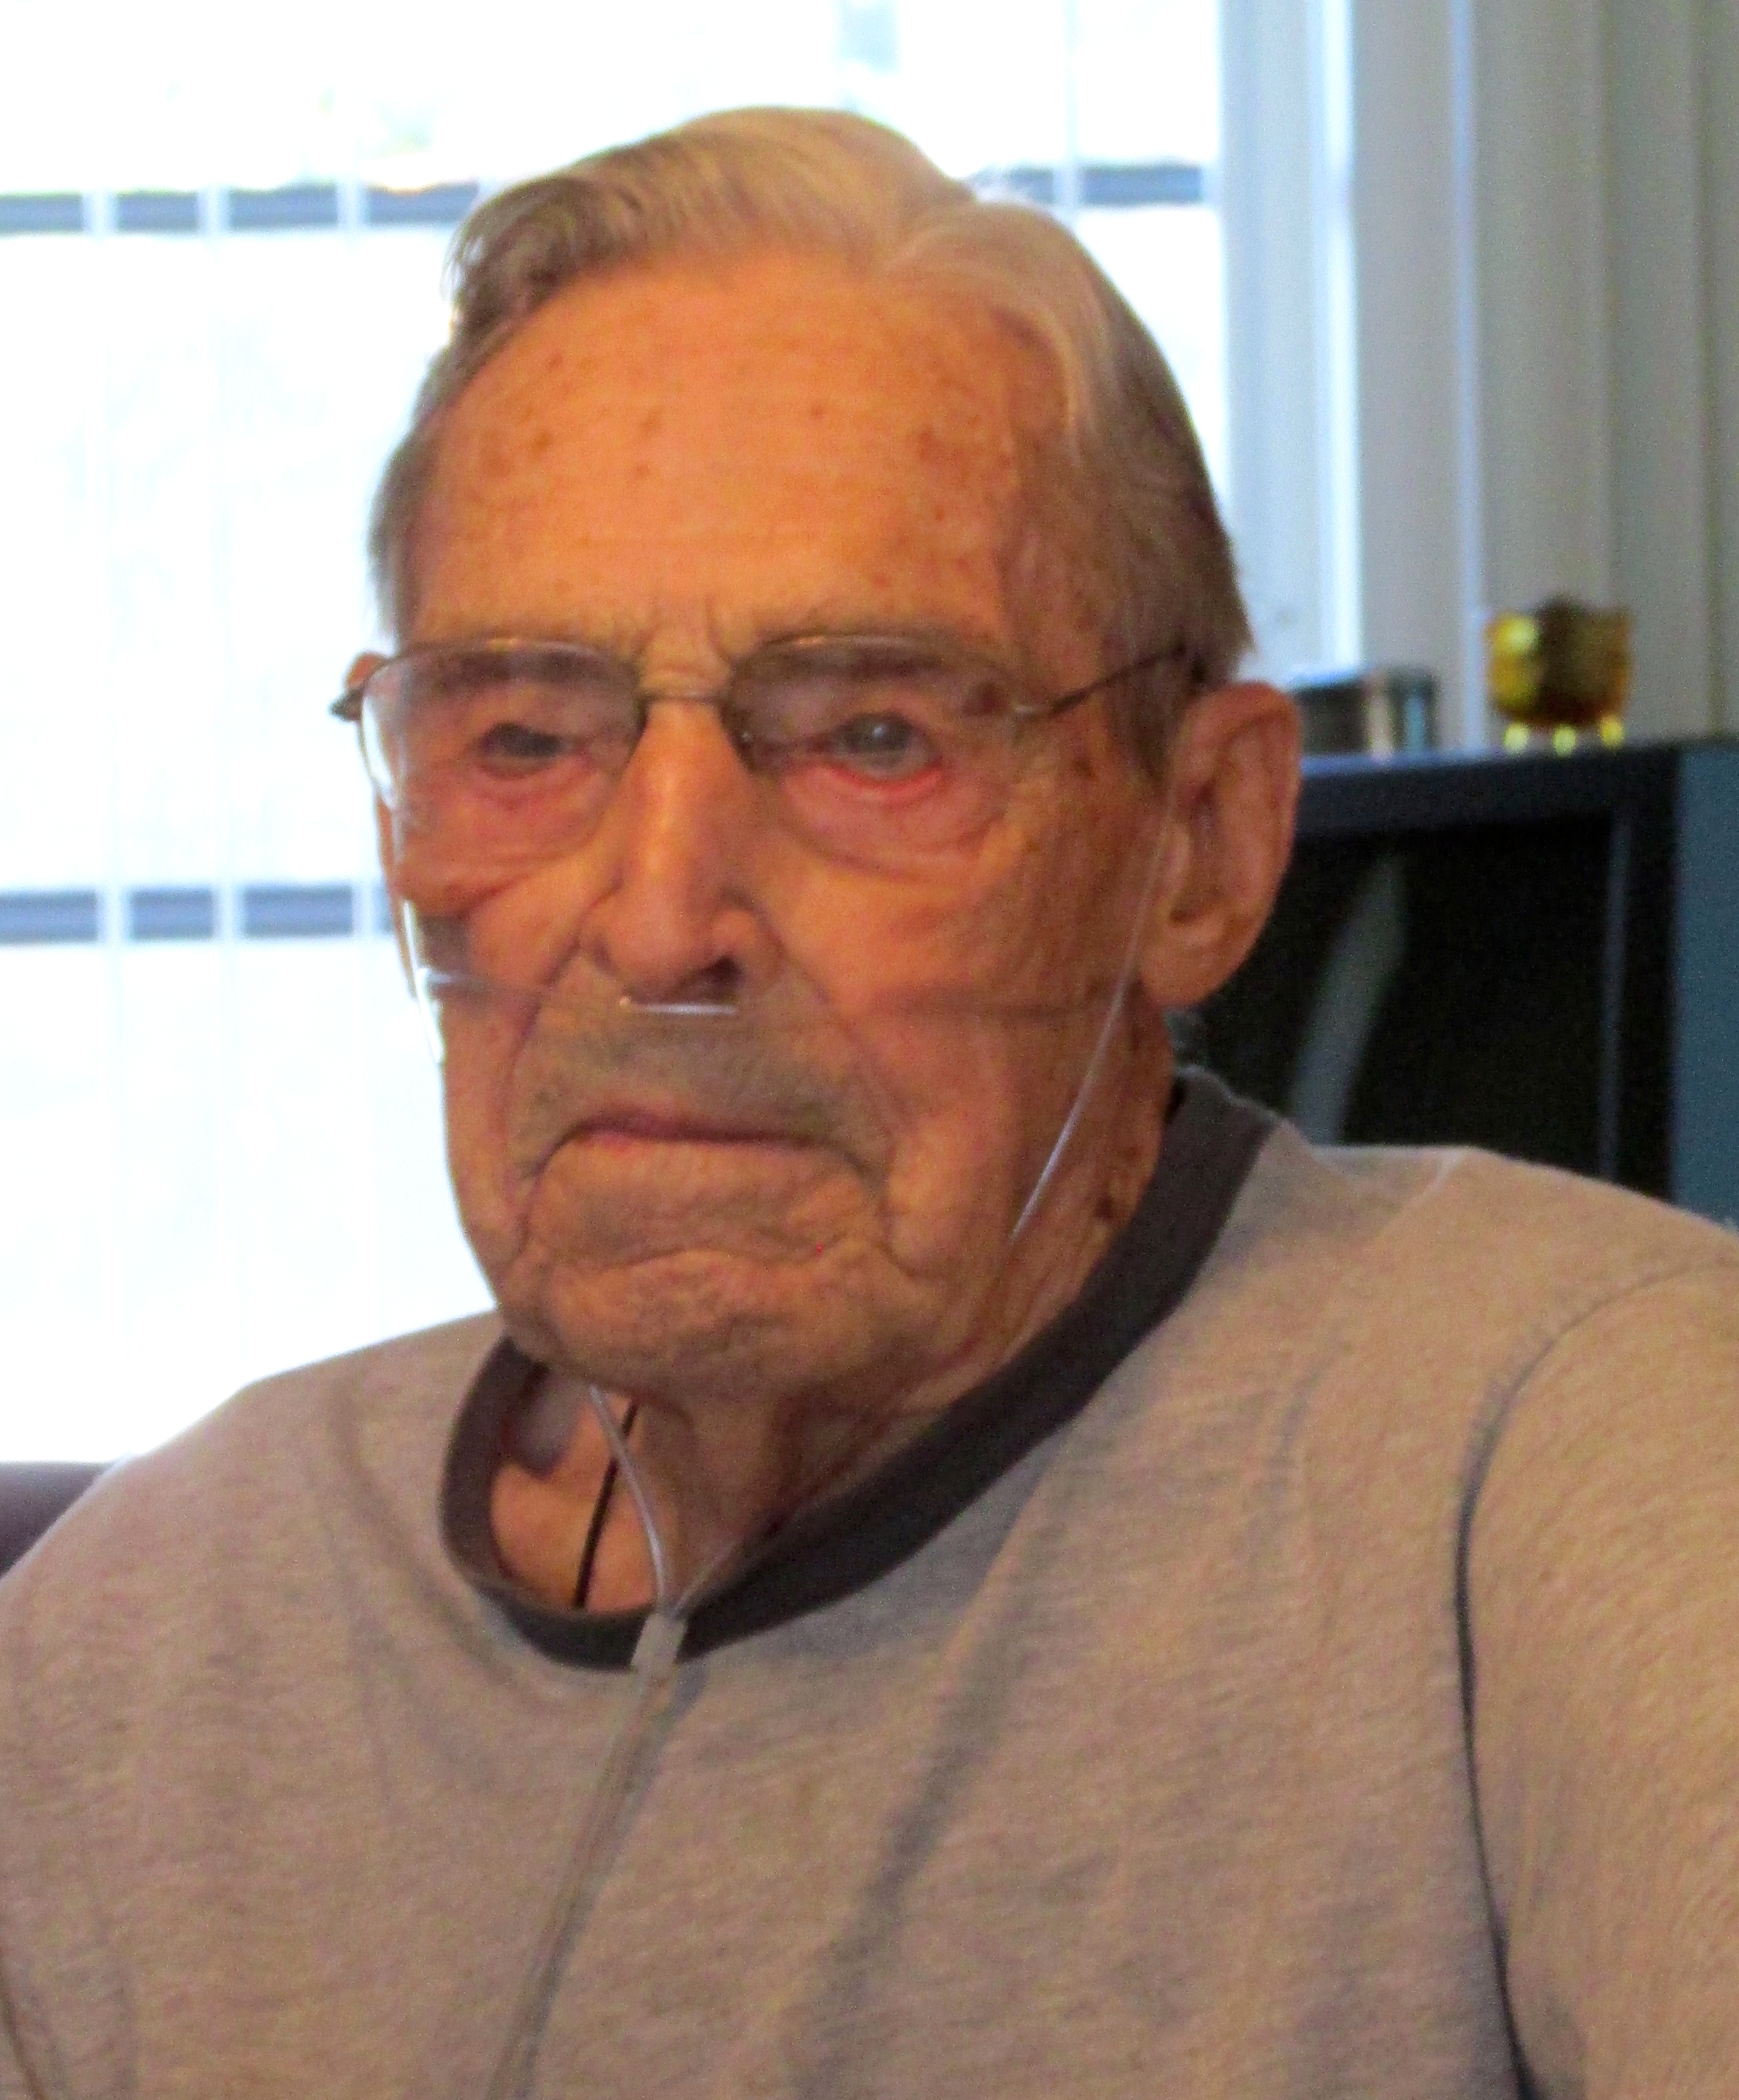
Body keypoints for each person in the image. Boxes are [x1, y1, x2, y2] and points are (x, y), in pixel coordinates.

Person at [2, 107, 1736, 2100]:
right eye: (525, 732)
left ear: (1199, 843)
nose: (659, 916)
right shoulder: (139, 1643)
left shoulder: (1567, 1442)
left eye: (874, 736)